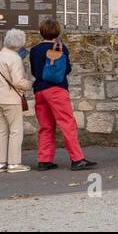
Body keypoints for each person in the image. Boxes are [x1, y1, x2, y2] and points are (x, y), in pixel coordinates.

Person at [29, 19, 96, 171]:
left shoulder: (34, 50)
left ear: (41, 32)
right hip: (57, 90)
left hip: (40, 90)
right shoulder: (60, 48)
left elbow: (34, 71)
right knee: (67, 123)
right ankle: (77, 159)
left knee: (46, 126)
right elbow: (66, 70)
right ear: (57, 32)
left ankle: (44, 160)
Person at [0, 28, 32, 173]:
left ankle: (1, 163)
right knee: (15, 130)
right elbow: (18, 81)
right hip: (10, 99)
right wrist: (29, 84)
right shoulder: (14, 58)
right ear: (20, 44)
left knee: (1, 131)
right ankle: (14, 164)